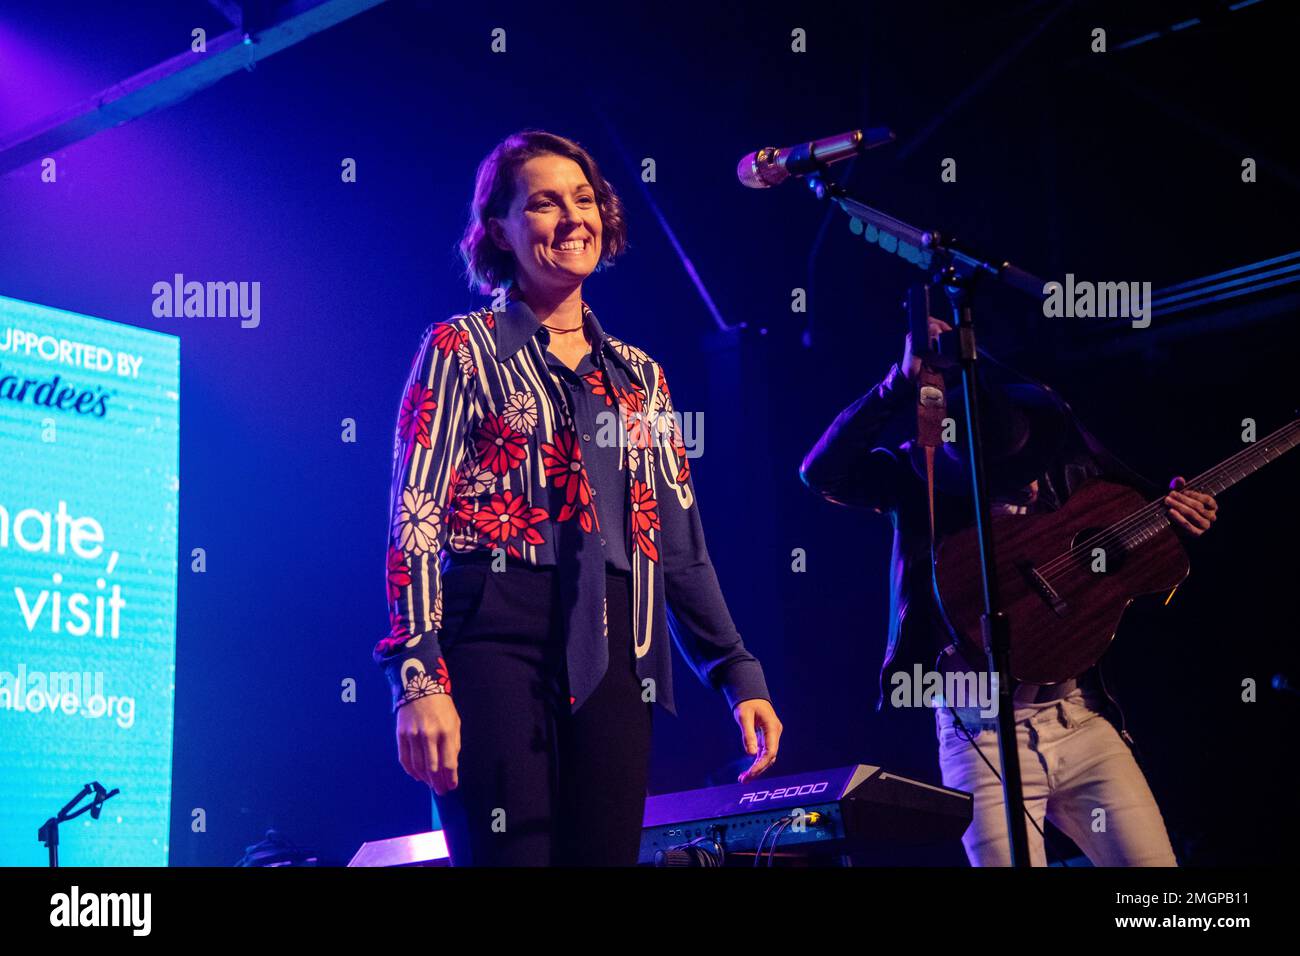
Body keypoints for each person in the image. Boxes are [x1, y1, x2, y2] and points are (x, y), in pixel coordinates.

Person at [374, 129, 782, 866]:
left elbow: (681, 545)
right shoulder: (458, 352)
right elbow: (415, 520)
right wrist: (418, 675)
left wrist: (735, 670)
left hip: (618, 653)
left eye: (584, 199)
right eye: (543, 203)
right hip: (491, 640)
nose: (572, 218)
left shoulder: (640, 377)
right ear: (498, 228)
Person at [799, 316, 1217, 866]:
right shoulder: (917, 475)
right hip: (980, 731)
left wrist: (1184, 513)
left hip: (1080, 717)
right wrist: (895, 384)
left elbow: (1147, 515)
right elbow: (821, 473)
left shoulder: (1073, 466)